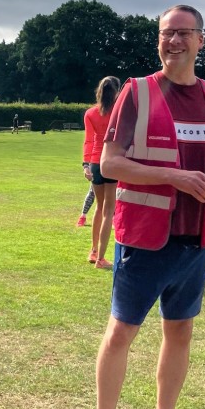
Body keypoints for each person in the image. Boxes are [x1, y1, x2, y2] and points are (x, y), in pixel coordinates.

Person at [82, 4, 205, 409]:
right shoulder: (138, 92)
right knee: (121, 333)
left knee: (181, 332)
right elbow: (110, 163)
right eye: (165, 33)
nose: (172, 41)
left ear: (201, 40)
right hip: (146, 238)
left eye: (182, 33)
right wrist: (176, 177)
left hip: (197, 237)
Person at [83, 76, 121, 269]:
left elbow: (89, 140)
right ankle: (101, 259)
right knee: (109, 210)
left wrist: (85, 164)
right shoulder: (120, 112)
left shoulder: (90, 113)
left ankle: (94, 250)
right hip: (112, 162)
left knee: (99, 208)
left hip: (96, 163)